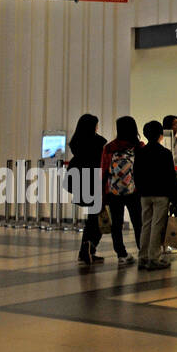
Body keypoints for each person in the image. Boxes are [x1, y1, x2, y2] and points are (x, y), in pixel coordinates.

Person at [100, 116, 143, 264]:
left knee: (116, 224)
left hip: (113, 191)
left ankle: (121, 254)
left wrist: (103, 192)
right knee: (138, 222)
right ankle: (142, 251)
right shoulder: (139, 146)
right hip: (134, 190)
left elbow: (104, 170)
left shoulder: (109, 147)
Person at [134, 120, 176, 270]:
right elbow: (171, 176)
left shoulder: (140, 153)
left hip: (145, 194)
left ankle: (143, 257)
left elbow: (136, 174)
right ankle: (154, 257)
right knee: (157, 225)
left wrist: (140, 190)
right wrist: (173, 195)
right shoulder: (165, 153)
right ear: (161, 135)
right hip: (161, 194)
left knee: (145, 225)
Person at [68, 113, 106, 266]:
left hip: (82, 183)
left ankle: (86, 251)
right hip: (96, 183)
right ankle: (89, 249)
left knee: (92, 218)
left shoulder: (75, 142)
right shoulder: (99, 142)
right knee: (96, 220)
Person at [162, 114, 177, 251]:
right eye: (174, 124)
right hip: (165, 179)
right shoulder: (163, 139)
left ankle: (175, 239)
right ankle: (163, 241)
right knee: (164, 209)